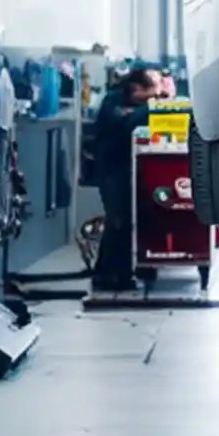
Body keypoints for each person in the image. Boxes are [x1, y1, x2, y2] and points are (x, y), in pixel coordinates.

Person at [91, 67, 167, 291]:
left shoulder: (139, 105)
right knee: (118, 220)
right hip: (111, 170)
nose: (158, 94)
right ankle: (110, 275)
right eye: (153, 89)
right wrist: (157, 105)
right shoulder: (113, 102)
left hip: (131, 168)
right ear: (136, 89)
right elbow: (129, 124)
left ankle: (134, 268)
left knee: (132, 219)